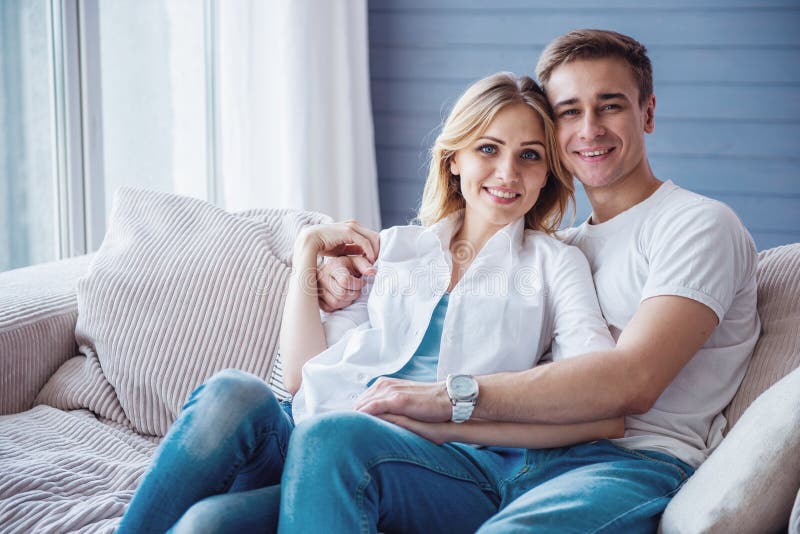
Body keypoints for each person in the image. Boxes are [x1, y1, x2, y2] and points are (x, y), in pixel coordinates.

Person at [117, 72, 624, 534]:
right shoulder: (398, 248)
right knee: (232, 391)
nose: (508, 172)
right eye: (488, 149)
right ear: (454, 159)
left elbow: (599, 394)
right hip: (307, 431)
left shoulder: (554, 264)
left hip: (419, 461)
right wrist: (307, 253)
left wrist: (446, 418)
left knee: (205, 526)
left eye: (529, 155)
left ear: (547, 174)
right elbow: (301, 378)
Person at [309, 29, 760, 532]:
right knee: (304, 463)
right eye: (569, 111)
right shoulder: (561, 249)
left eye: (609, 106)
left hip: (630, 463)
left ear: (647, 113)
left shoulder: (696, 223)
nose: (589, 129)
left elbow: (631, 384)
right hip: (512, 456)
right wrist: (331, 268)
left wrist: (447, 400)